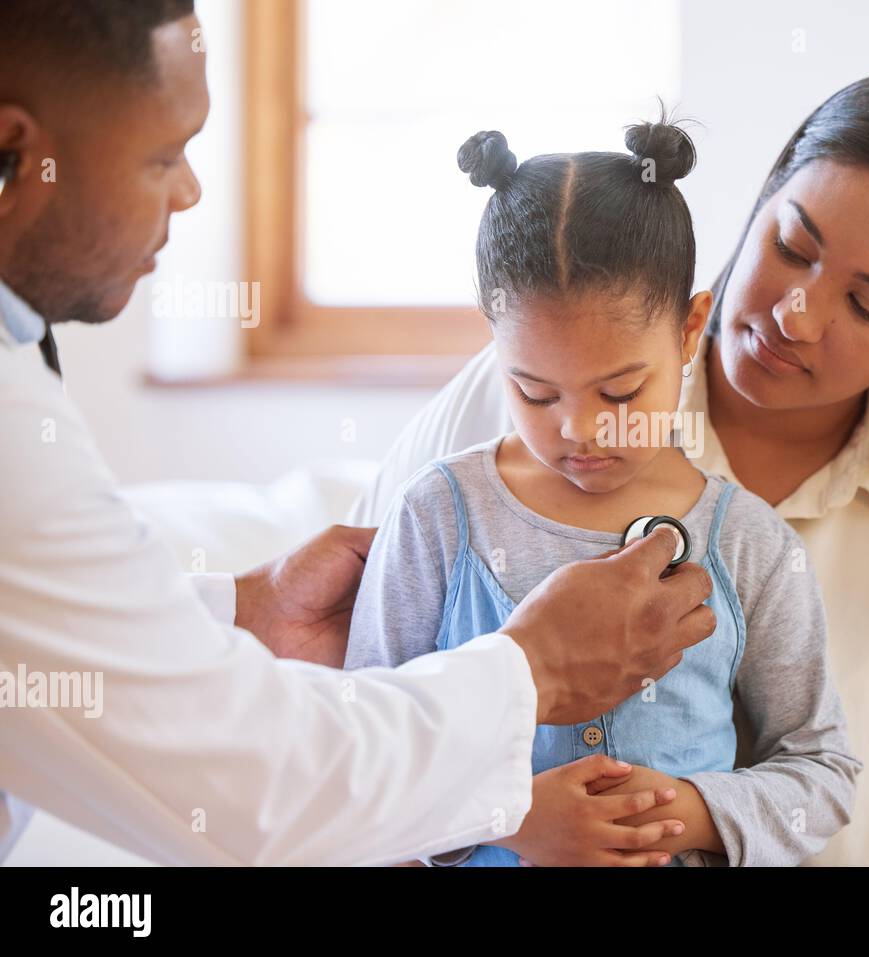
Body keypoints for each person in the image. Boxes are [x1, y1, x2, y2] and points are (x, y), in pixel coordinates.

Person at [0, 0, 713, 866]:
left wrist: (244, 612)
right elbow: (258, 793)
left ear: (687, 331)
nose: (192, 192)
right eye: (163, 156)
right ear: (14, 152)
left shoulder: (737, 530)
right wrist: (531, 669)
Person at [350, 65, 869, 865]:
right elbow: (343, 742)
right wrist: (498, 810)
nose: (794, 318)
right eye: (792, 245)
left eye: (868, 304)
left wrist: (674, 812)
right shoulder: (488, 431)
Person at [346, 122, 861, 867]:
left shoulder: (749, 544)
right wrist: (505, 821)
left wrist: (678, 813)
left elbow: (824, 770)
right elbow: (360, 749)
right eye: (535, 390)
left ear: (690, 330)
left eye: (621, 389)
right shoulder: (437, 519)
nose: (580, 430)